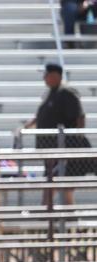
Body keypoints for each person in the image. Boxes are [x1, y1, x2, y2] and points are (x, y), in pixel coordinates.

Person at [21, 62, 94, 205]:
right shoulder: (50, 94)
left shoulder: (66, 93)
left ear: (56, 75)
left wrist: (76, 141)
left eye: (47, 74)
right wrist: (28, 125)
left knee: (58, 184)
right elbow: (43, 115)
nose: (44, 78)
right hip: (51, 150)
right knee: (59, 185)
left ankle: (47, 214)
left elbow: (80, 117)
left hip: (63, 149)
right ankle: (63, 214)